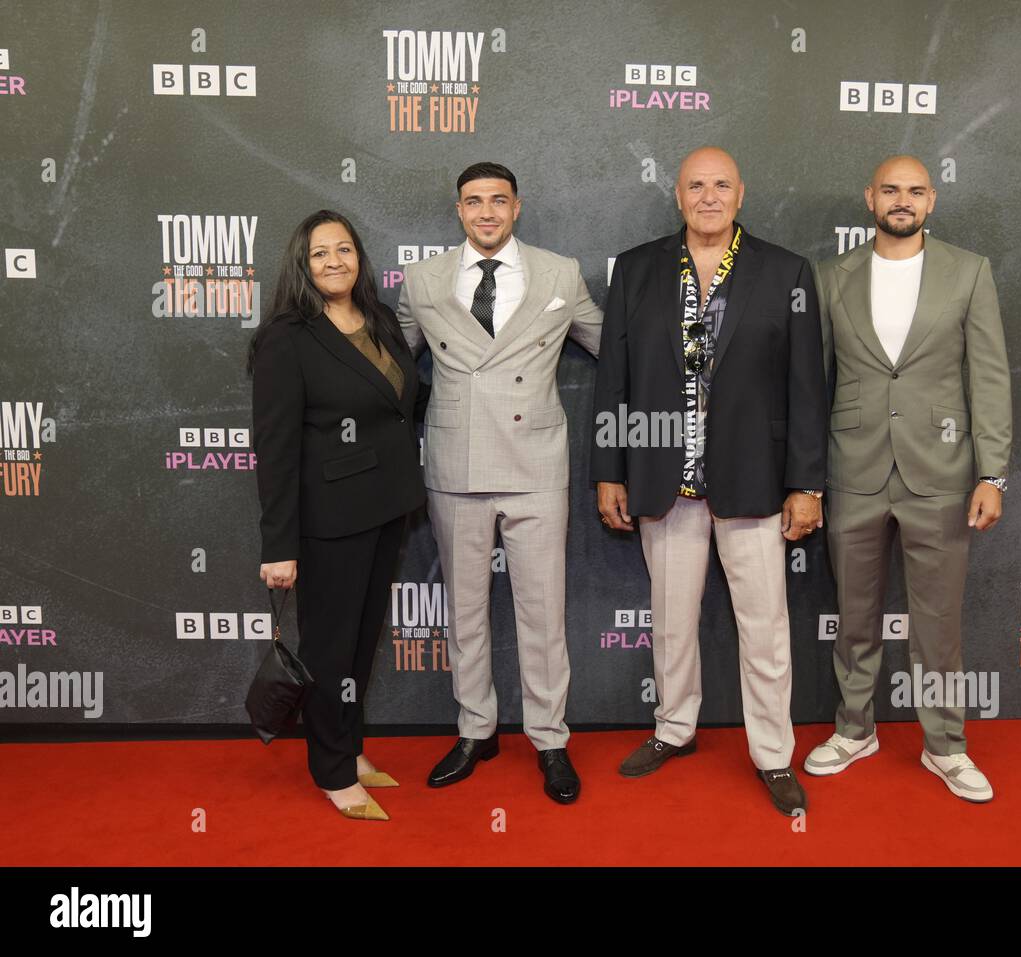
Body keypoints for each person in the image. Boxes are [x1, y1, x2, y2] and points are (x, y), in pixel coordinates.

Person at [591, 146, 827, 817]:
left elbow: (807, 389)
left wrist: (806, 482)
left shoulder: (786, 272)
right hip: (664, 479)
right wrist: (610, 469)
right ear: (678, 194)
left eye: (721, 184)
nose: (709, 196)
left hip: (754, 482)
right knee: (670, 623)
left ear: (741, 194)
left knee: (766, 629)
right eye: (696, 185)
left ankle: (773, 753)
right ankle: (674, 729)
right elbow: (615, 379)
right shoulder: (637, 269)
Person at [806, 155, 1012, 802]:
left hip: (943, 475)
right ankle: (854, 728)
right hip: (854, 469)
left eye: (915, 191)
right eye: (891, 189)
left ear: (932, 200)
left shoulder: (968, 271)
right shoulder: (830, 276)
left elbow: (990, 375)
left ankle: (946, 744)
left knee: (938, 625)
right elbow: (813, 385)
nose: (902, 200)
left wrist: (993, 473)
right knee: (855, 615)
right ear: (870, 198)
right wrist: (808, 480)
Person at [397, 162, 603, 805]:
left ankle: (548, 738)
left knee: (542, 612)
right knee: (465, 611)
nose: (485, 212)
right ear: (459, 210)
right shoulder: (424, 280)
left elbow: (612, 346)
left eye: (497, 201)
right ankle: (475, 730)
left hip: (536, 463)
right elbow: (387, 369)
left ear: (517, 208)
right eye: (472, 202)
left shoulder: (559, 273)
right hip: (456, 464)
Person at [249, 209, 426, 822]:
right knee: (328, 650)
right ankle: (331, 770)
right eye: (320, 252)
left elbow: (401, 405)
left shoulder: (377, 318)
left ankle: (349, 749)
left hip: (388, 509)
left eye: (344, 250)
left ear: (359, 258)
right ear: (302, 263)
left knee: (359, 646)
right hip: (328, 520)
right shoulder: (285, 339)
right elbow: (274, 450)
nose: (334, 262)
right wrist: (279, 545)